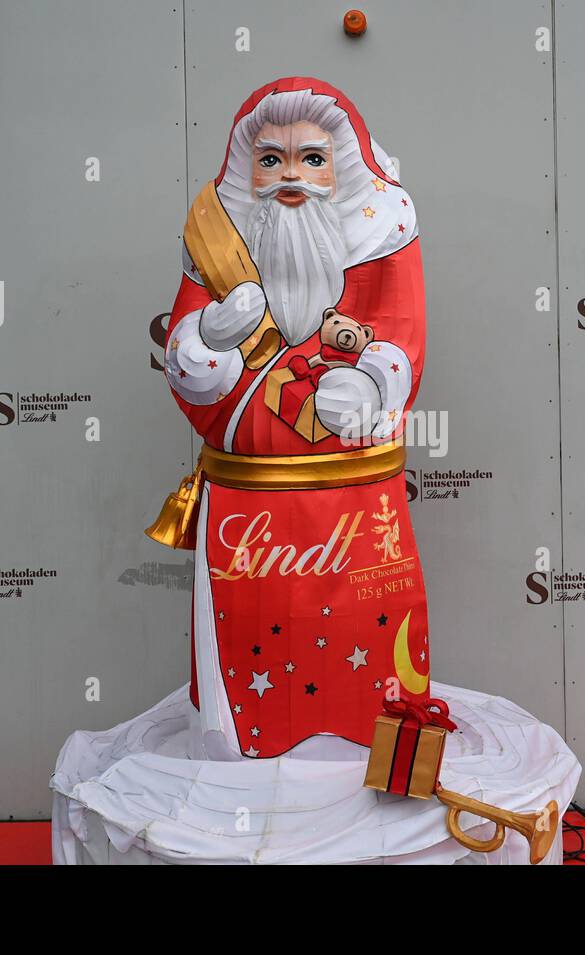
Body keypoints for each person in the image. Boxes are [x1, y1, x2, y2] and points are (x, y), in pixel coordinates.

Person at [159, 77, 427, 759]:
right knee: (252, 651)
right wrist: (212, 339)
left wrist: (371, 388)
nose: (291, 177)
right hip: (247, 509)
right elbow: (185, 355)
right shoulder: (216, 243)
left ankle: (382, 764)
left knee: (364, 647)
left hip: (356, 501)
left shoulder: (383, 238)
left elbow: (403, 333)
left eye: (312, 158)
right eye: (271, 159)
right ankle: (244, 765)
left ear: (342, 164)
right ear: (246, 168)